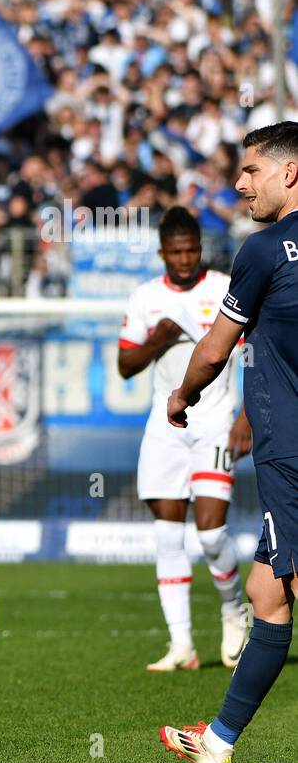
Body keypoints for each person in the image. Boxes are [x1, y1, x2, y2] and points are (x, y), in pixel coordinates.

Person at [160, 122, 298, 763]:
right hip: (281, 440)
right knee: (266, 592)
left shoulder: (264, 249)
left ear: (289, 173)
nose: (239, 184)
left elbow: (215, 348)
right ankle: (218, 741)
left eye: (251, 172)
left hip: (290, 450)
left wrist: (182, 394)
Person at [117, 206, 251, 672]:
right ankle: (181, 647)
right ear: (162, 253)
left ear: (200, 248)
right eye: (175, 252)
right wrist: (159, 339)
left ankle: (235, 610)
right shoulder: (145, 298)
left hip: (214, 420)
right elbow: (125, 365)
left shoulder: (222, 289)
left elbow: (252, 351)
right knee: (166, 534)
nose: (184, 259)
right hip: (164, 427)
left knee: (212, 533)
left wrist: (246, 418)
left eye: (191, 249)